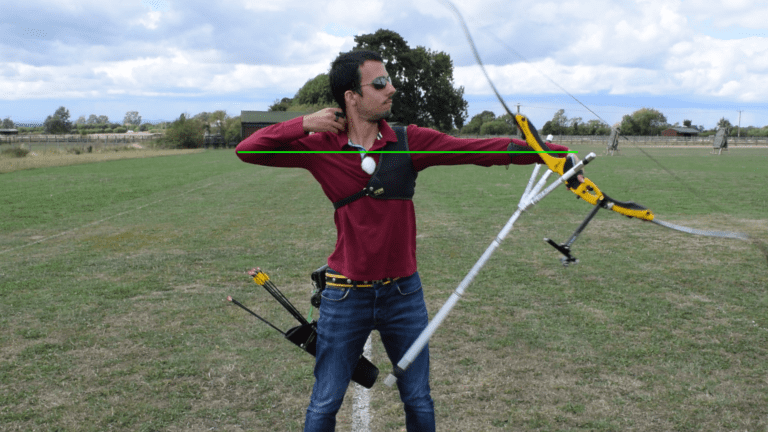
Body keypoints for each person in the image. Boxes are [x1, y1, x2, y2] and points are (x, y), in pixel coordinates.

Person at [236, 50, 580, 432]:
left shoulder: (407, 140)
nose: (391, 88)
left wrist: (553, 155)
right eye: (380, 83)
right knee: (324, 403)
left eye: (389, 80)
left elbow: (475, 150)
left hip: (403, 294)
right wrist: (302, 123)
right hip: (344, 295)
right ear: (351, 96)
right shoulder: (320, 146)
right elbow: (249, 149)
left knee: (417, 399)